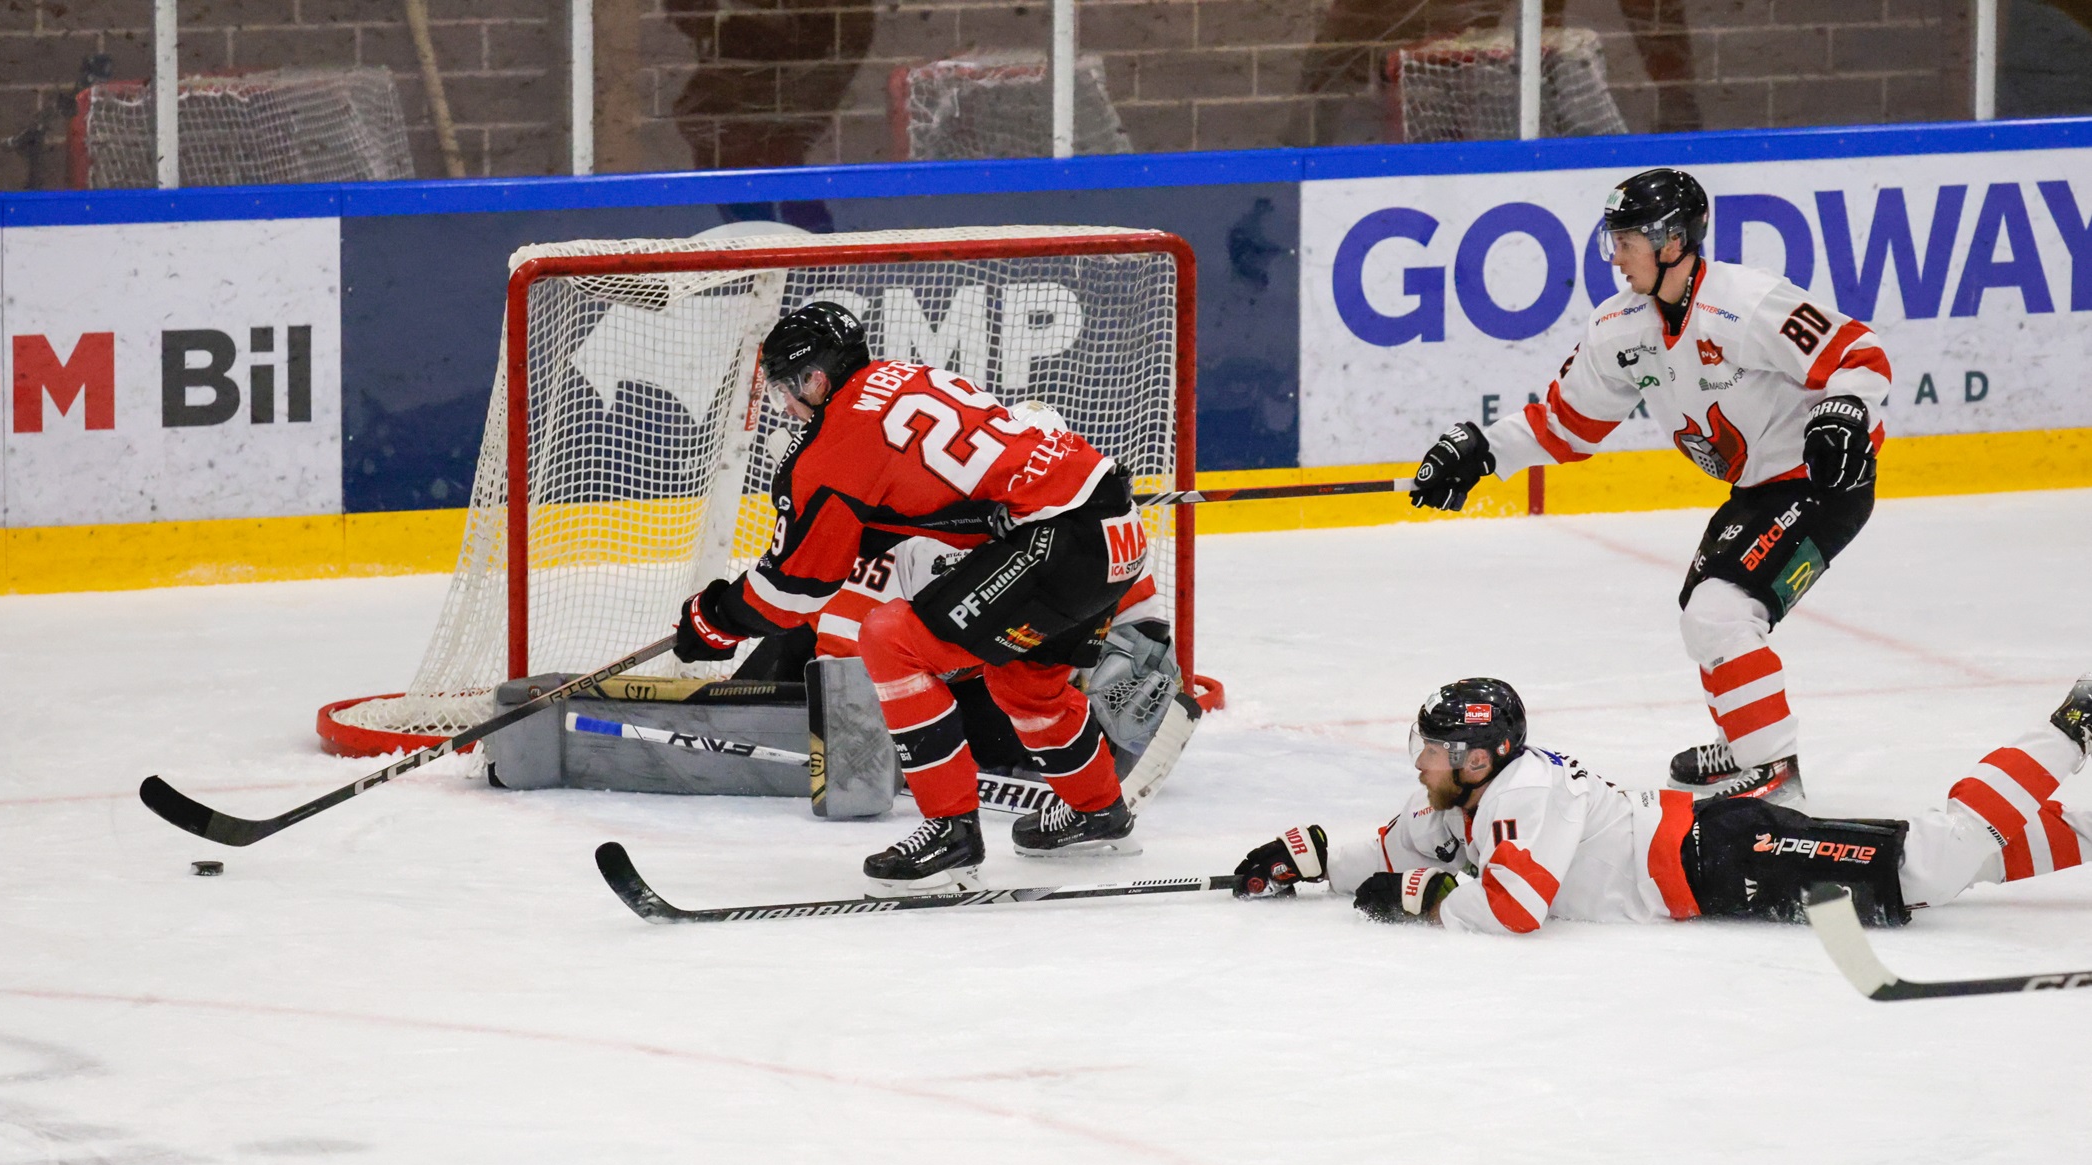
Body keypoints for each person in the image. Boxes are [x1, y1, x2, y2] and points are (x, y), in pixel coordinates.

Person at [1407, 168, 1892, 806]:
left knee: (1721, 614)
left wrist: (1847, 413)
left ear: (1673, 242)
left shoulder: (1746, 302)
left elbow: (1860, 354)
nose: (1615, 255)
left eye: (1628, 240)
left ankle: (1774, 776)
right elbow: (1567, 425)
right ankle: (1749, 748)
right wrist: (1482, 452)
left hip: (1821, 482)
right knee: (1705, 616)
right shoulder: (1619, 328)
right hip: (1757, 491)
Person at [671, 301, 1149, 895]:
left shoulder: (837, 442)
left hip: (1058, 541)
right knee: (1025, 682)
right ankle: (1099, 810)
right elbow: (948, 494)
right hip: (1116, 532)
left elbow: (795, 590)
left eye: (786, 391)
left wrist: (713, 621)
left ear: (816, 379)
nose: (786, 407)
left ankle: (952, 833)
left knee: (892, 640)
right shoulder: (903, 377)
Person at [1232, 676, 2092, 932]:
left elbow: (1516, 909)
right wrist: (1303, 856)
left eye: (1434, 749)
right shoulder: (1464, 801)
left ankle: (2072, 726)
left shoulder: (1522, 794)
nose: (1419, 761)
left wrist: (1419, 899)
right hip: (1716, 856)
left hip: (1728, 856)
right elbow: (1394, 846)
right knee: (1945, 869)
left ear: (1480, 757)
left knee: (1933, 863)